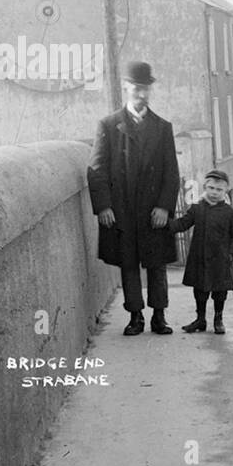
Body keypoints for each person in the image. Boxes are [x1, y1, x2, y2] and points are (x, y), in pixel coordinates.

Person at [88, 61, 181, 336]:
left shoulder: (163, 127)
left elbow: (171, 173)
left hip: (153, 210)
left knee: (157, 264)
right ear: (126, 87)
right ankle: (135, 316)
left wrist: (164, 206)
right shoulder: (108, 125)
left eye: (146, 89)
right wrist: (103, 205)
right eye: (137, 88)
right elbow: (96, 168)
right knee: (128, 264)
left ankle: (159, 316)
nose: (142, 94)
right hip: (123, 210)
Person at [170, 169, 233, 335]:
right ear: (205, 188)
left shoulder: (229, 213)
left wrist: (231, 254)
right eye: (211, 188)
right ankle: (200, 319)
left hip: (220, 259)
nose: (214, 193)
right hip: (200, 257)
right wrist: (167, 226)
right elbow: (183, 223)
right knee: (200, 290)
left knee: (219, 292)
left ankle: (218, 319)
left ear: (225, 192)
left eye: (219, 190)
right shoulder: (197, 209)